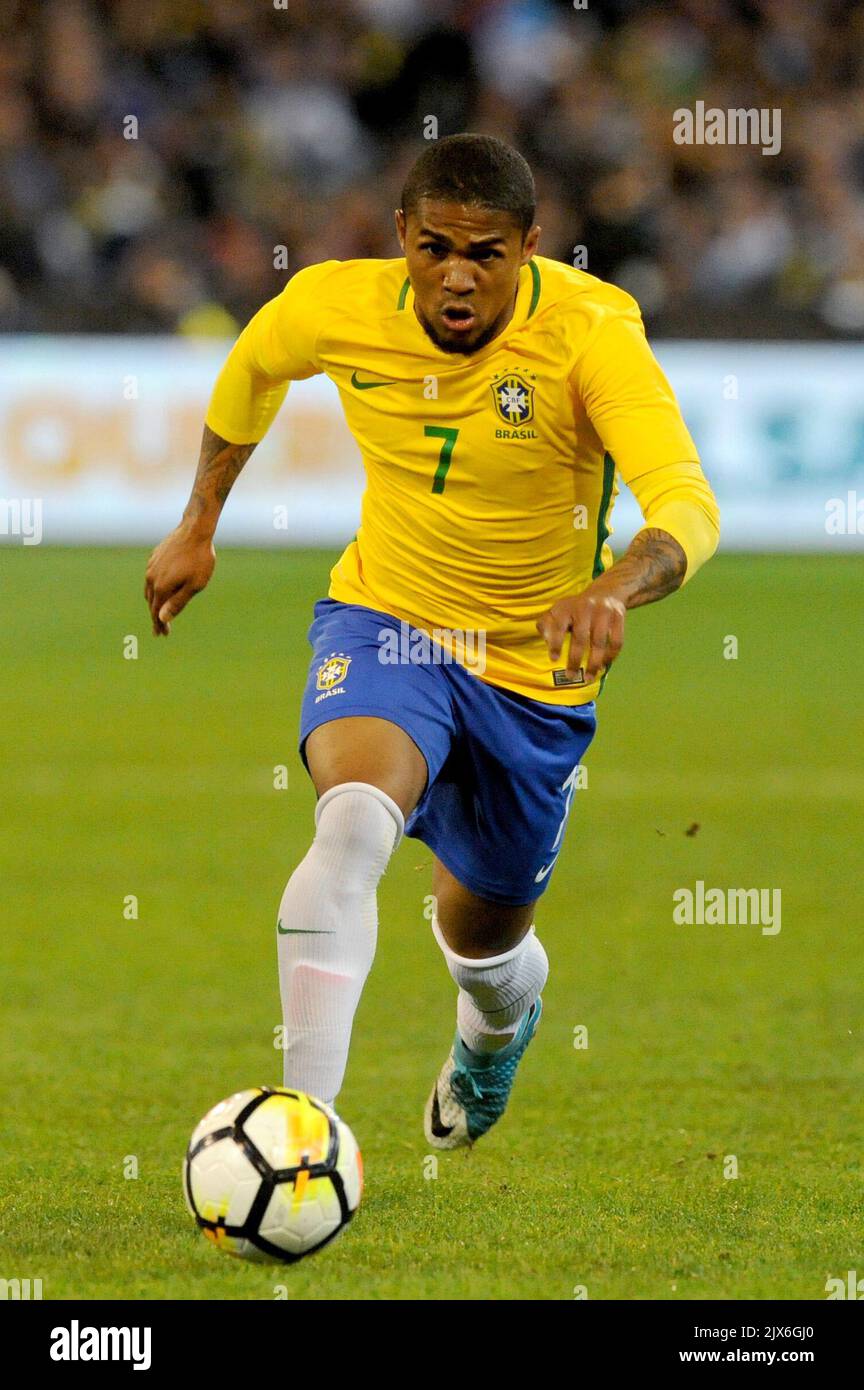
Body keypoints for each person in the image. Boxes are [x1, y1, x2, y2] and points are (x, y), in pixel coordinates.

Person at [145, 134, 719, 1149]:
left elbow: (687, 503)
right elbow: (251, 371)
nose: (458, 275)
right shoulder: (336, 303)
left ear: (532, 247)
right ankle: (303, 1131)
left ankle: (493, 1036)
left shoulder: (592, 332)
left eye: (487, 254)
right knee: (354, 825)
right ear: (402, 236)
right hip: (387, 619)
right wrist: (199, 522)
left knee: (484, 943)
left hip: (530, 668)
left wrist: (615, 588)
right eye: (436, 247)